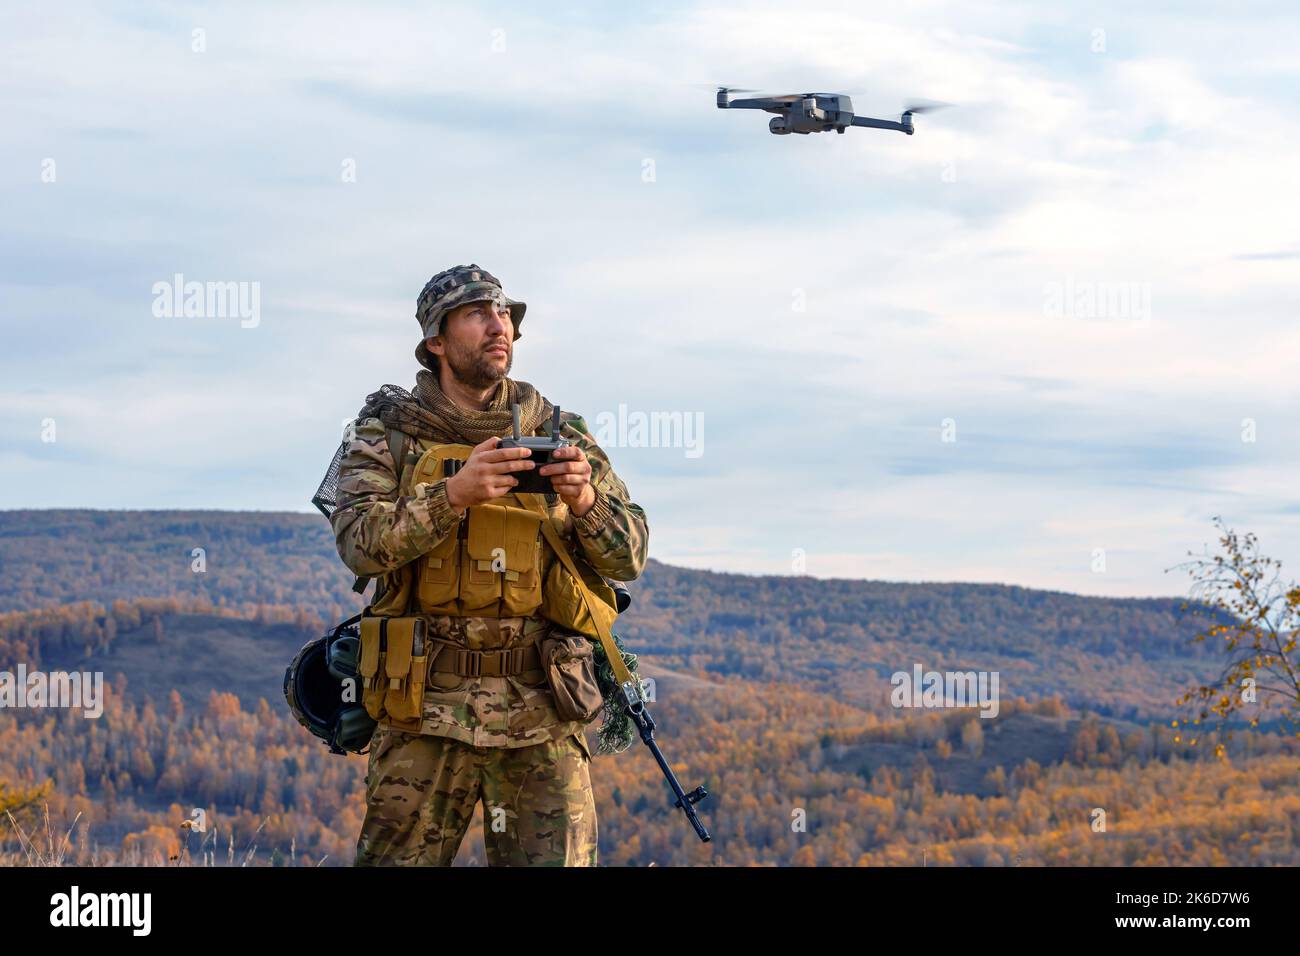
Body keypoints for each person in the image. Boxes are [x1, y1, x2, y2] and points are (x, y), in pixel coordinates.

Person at [330, 263, 647, 866]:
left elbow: (629, 556)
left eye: (504, 314)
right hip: (423, 708)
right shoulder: (387, 436)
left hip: (543, 710)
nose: (498, 326)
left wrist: (585, 500)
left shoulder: (557, 431)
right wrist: (452, 497)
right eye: (477, 313)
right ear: (436, 341)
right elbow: (359, 544)